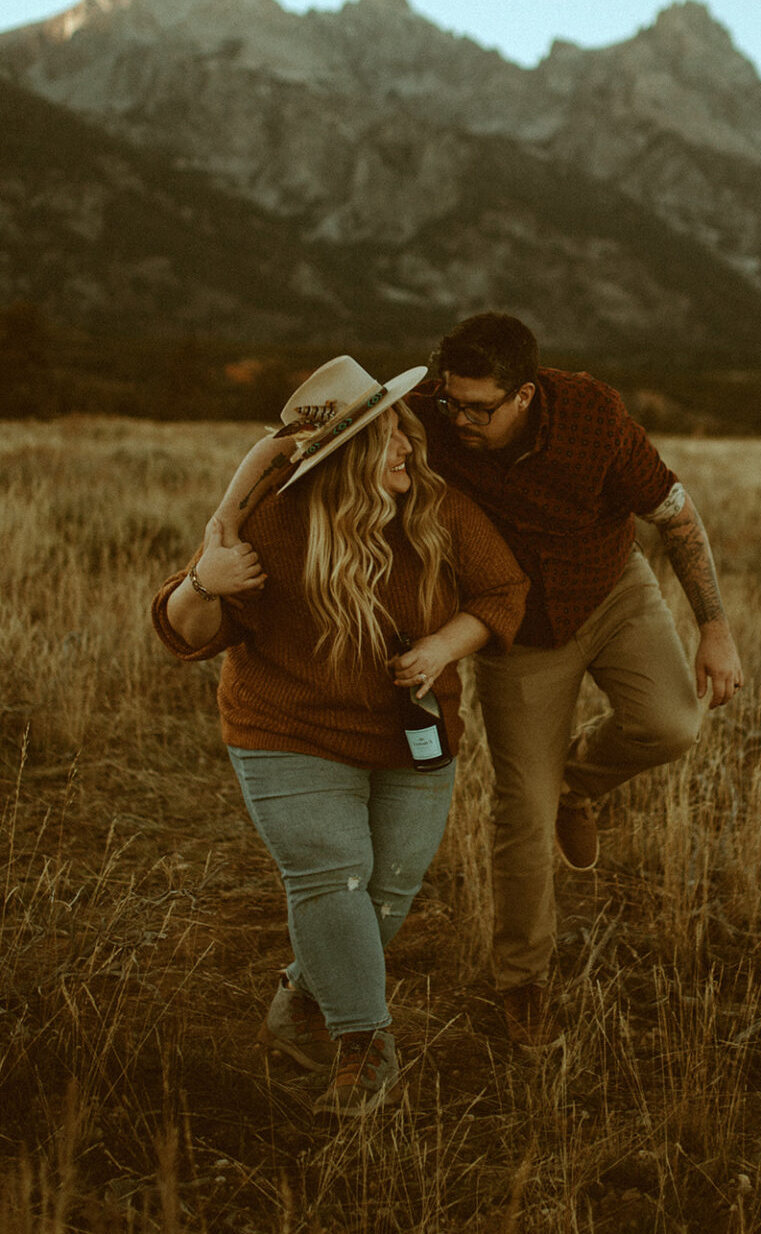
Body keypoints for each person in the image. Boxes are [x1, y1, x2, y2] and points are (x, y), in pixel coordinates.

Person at [208, 316, 742, 1052]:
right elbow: (288, 439)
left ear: (525, 396)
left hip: (611, 586)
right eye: (450, 403)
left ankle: (577, 783)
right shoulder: (432, 409)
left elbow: (675, 515)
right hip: (518, 626)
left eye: (478, 408)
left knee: (672, 725)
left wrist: (713, 627)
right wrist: (221, 530)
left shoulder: (594, 416)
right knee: (521, 809)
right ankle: (523, 982)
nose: (457, 420)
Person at [151, 355, 528, 1114]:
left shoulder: (437, 507)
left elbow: (502, 589)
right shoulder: (274, 521)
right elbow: (180, 630)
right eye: (384, 435)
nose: (407, 447)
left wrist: (442, 648)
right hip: (287, 727)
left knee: (389, 889)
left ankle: (302, 993)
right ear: (342, 454)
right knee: (333, 876)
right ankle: (367, 1047)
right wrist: (204, 584)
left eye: (403, 429)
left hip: (413, 729)